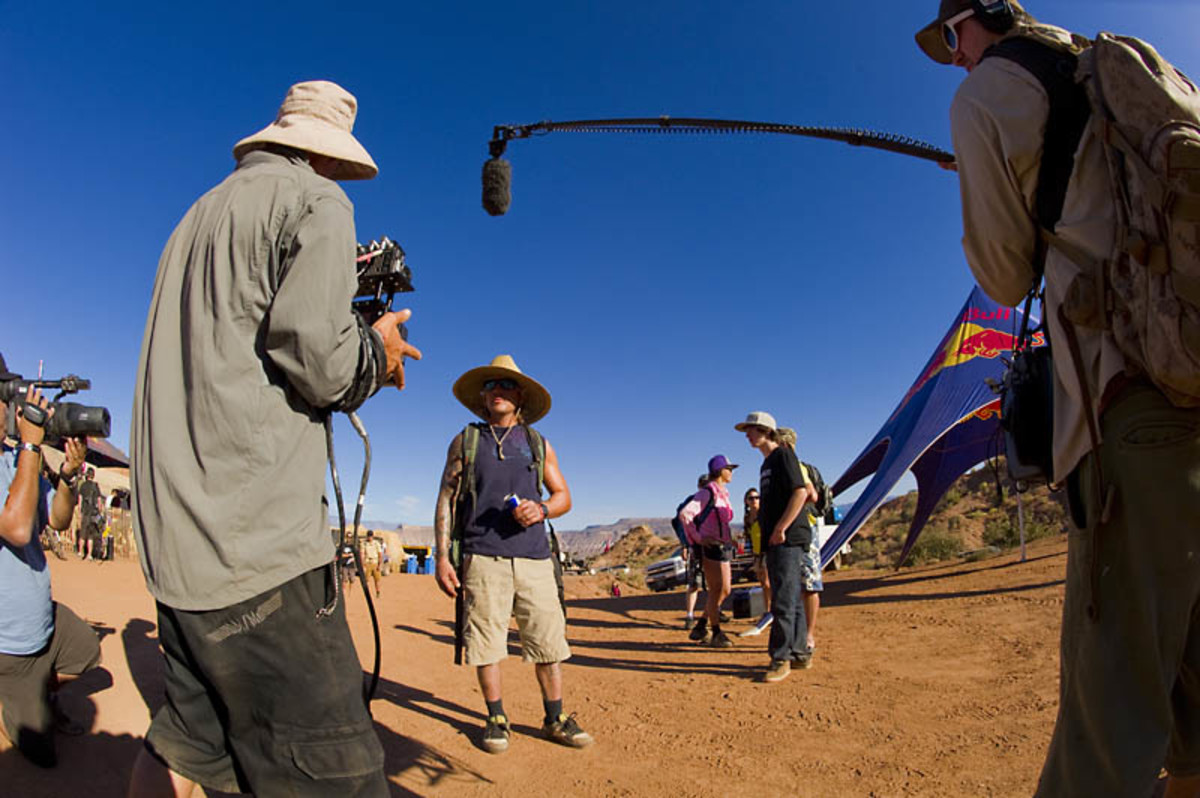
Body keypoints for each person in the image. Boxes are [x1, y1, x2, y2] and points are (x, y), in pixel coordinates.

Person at [917, 3, 1200, 794]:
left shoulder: (987, 95)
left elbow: (1004, 277)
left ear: (986, 18)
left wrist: (990, 177)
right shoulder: (1118, 65)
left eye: (953, 38)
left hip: (1129, 402)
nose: (956, 57)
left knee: (1109, 712)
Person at [127, 80, 420, 798]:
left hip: (177, 556)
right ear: (327, 157)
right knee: (337, 775)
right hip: (259, 558)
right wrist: (376, 354)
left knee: (188, 749)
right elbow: (319, 366)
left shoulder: (195, 218)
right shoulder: (319, 202)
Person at [434, 355, 593, 754]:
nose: (497, 392)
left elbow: (564, 497)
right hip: (482, 557)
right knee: (486, 642)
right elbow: (446, 499)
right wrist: (440, 557)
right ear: (483, 398)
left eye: (506, 386)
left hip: (535, 558)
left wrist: (541, 509)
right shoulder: (466, 441)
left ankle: (555, 717)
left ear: (520, 395)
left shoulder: (538, 444)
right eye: (490, 386)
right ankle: (496, 718)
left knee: (547, 643)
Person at [0, 355, 99, 768]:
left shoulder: (15, 461)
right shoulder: (22, 454)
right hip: (8, 642)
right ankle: (15, 695)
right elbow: (18, 529)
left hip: (41, 623)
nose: (13, 410)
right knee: (43, 757)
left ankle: (33, 690)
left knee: (87, 652)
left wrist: (69, 477)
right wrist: (30, 443)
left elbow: (56, 520)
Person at [736, 412, 816, 683]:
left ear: (764, 431)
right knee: (790, 597)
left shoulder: (783, 456)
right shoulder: (766, 464)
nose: (747, 435)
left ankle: (780, 658)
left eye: (751, 430)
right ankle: (800, 653)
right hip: (776, 539)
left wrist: (781, 527)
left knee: (782, 599)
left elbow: (801, 492)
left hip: (788, 538)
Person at [679, 455, 738, 648]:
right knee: (717, 589)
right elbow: (685, 514)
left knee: (725, 590)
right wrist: (699, 538)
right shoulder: (707, 493)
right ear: (720, 471)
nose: (731, 472)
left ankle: (702, 625)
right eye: (729, 468)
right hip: (711, 548)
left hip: (723, 546)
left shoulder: (723, 493)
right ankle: (717, 633)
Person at [738, 487, 773, 638]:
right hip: (756, 553)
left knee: (767, 582)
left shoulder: (764, 515)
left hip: (767, 551)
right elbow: (748, 536)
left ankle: (772, 612)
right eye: (751, 498)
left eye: (757, 498)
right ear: (746, 501)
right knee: (763, 583)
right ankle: (768, 611)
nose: (754, 501)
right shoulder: (747, 518)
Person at [77, 467, 101, 561]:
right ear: (93, 476)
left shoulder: (83, 486)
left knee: (83, 533)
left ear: (87, 475)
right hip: (93, 514)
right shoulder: (96, 486)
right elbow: (99, 501)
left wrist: (80, 511)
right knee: (90, 535)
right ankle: (89, 555)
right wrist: (99, 512)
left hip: (86, 512)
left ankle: (80, 552)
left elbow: (80, 500)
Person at [359, 530, 384, 598]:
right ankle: (366, 593)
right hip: (367, 562)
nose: (369, 538)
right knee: (366, 579)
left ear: (372, 536)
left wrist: (379, 564)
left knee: (377, 579)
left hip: (375, 562)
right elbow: (362, 554)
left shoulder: (376, 544)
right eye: (368, 536)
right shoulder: (364, 543)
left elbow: (380, 554)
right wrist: (362, 564)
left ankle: (378, 592)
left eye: (371, 536)